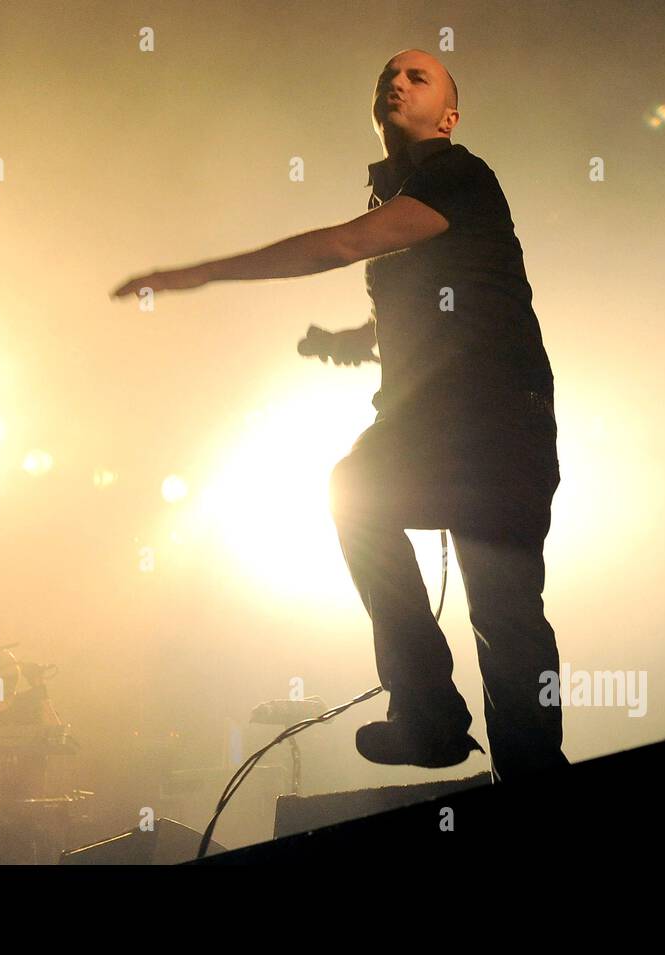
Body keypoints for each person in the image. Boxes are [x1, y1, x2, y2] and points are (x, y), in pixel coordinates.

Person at [112, 49, 568, 783]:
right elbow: (433, 300)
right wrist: (349, 342)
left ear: (450, 115)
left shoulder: (459, 173)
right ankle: (468, 736)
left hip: (490, 419)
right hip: (464, 420)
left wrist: (194, 273)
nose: (398, 80)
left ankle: (444, 723)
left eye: (420, 76)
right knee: (492, 600)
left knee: (466, 577)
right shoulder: (408, 199)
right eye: (388, 74)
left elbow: (344, 244)